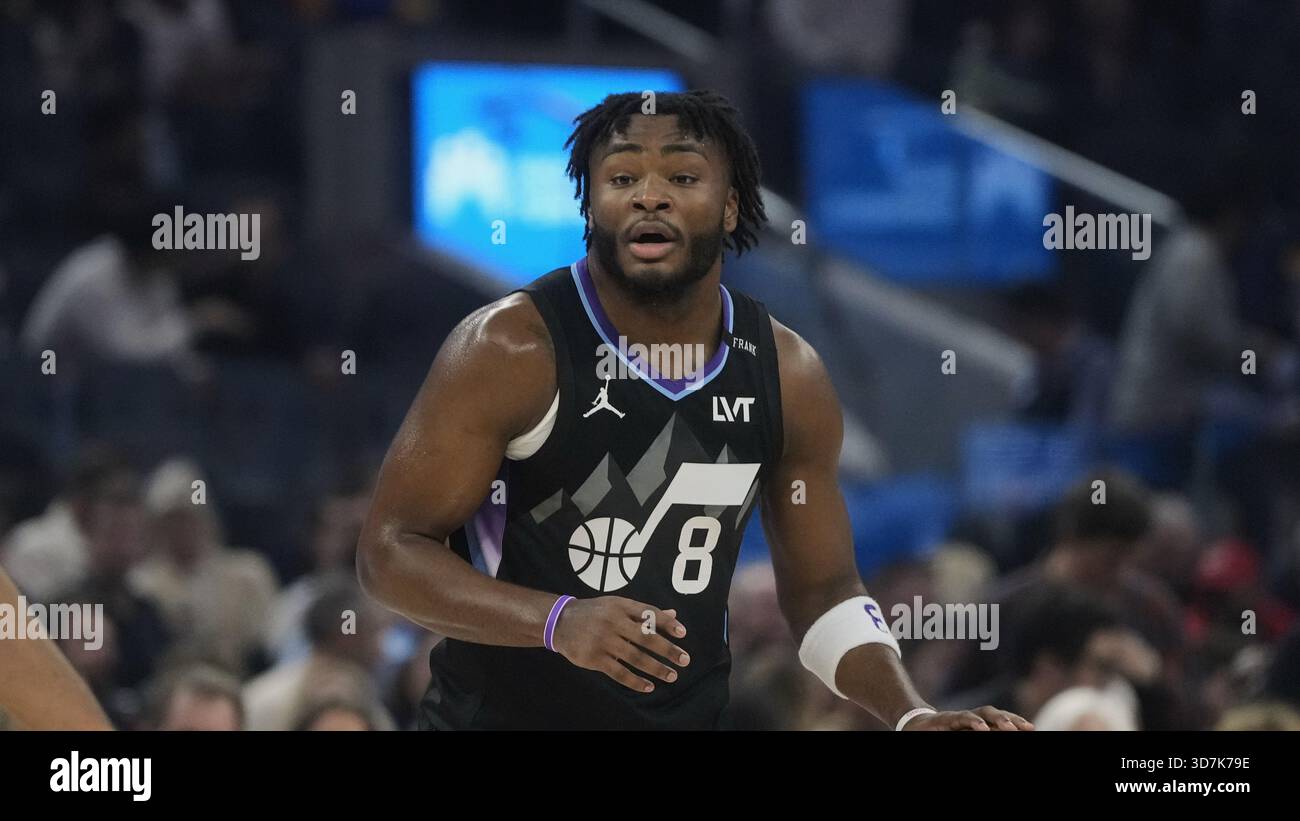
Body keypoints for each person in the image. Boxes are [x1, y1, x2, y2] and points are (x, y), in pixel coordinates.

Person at [357, 90, 1030, 731]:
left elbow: (824, 592)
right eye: (621, 178)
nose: (650, 195)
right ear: (591, 208)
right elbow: (388, 552)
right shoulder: (510, 348)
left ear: (732, 206)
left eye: (682, 176)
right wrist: (557, 618)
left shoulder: (786, 373)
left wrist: (910, 712)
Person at [0, 565, 112, 730]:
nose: (98, 652)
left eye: (106, 642)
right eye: (86, 639)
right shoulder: (26, 701)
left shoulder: (120, 708)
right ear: (56, 641)